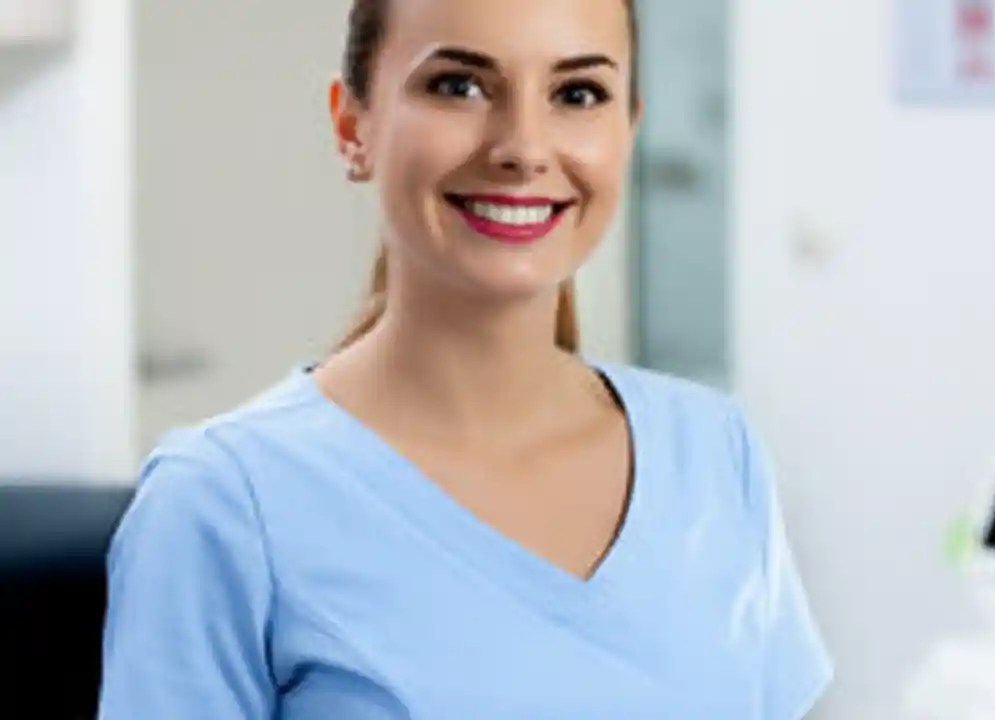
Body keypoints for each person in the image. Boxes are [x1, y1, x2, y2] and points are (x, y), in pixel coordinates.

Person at [97, 0, 832, 717]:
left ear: (627, 130)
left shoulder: (714, 450)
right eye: (459, 85)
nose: (524, 147)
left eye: (577, 93)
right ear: (353, 124)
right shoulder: (224, 503)